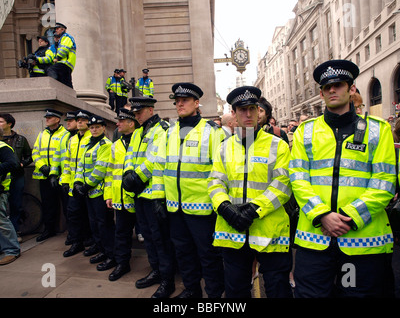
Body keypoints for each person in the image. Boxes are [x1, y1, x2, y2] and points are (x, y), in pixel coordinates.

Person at [289, 59, 396, 297]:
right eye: (327, 87)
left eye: (338, 85)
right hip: (315, 240)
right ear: (321, 93)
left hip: (360, 242)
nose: (333, 90)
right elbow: (297, 178)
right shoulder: (305, 132)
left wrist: (349, 217)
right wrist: (322, 215)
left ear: (352, 89)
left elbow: (385, 182)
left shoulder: (378, 130)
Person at [207, 86, 293, 298]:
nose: (248, 114)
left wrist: (253, 210)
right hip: (233, 230)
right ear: (234, 113)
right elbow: (215, 182)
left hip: (269, 231)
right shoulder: (224, 148)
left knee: (277, 289)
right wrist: (226, 208)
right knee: (236, 291)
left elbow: (282, 184)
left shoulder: (278, 146)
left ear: (258, 112)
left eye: (252, 109)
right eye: (242, 109)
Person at [152, 83, 225, 298]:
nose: (180, 104)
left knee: (208, 255)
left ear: (196, 103)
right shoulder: (169, 133)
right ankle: (192, 290)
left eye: (185, 100)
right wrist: (158, 198)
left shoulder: (212, 132)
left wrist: (217, 203)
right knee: (183, 253)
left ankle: (213, 294)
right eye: (177, 100)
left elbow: (220, 171)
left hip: (203, 209)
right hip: (175, 208)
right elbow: (159, 166)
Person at [122, 96, 175, 298]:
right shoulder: (137, 132)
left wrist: (138, 176)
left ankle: (167, 280)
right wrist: (128, 174)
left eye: (139, 112)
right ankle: (156, 271)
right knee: (149, 238)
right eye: (134, 113)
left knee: (160, 239)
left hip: (153, 192)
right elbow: (130, 156)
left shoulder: (161, 129)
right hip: (138, 192)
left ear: (150, 110)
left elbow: (156, 159)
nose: (136, 116)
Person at [73, 115, 115, 272]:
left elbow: (100, 169)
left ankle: (111, 254)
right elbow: (80, 166)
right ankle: (102, 250)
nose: (94, 129)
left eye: (97, 127)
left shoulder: (106, 145)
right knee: (94, 224)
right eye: (91, 127)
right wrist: (77, 182)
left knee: (104, 225)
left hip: (99, 192)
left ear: (104, 128)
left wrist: (86, 185)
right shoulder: (88, 145)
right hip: (88, 192)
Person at [104, 109, 137, 281]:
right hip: (120, 199)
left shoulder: (141, 141)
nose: (117, 124)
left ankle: (159, 270)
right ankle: (122, 264)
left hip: (139, 198)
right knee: (121, 233)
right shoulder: (115, 145)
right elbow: (110, 173)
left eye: (121, 121)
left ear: (131, 123)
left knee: (152, 235)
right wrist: (109, 195)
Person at [32, 108, 69, 242]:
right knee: (48, 203)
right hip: (44, 175)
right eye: (46, 117)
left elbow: (64, 154)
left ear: (58, 119)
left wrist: (55, 169)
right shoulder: (42, 134)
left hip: (60, 175)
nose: (47, 119)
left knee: (66, 205)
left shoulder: (65, 134)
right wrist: (42, 166)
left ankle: (71, 232)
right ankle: (49, 229)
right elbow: (35, 152)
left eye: (50, 117)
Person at [62, 110, 93, 257]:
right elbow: (67, 163)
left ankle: (90, 240)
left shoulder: (91, 138)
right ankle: (76, 242)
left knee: (89, 216)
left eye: (83, 120)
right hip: (74, 185)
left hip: (87, 185)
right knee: (73, 214)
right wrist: (66, 181)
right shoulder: (72, 140)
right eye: (78, 120)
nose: (79, 122)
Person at [0, 114, 32, 239]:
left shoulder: (20, 139)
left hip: (16, 176)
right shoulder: (0, 140)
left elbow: (29, 156)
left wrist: (23, 163)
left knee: (16, 204)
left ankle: (15, 231)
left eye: (1, 122)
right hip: (3, 178)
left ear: (9, 124)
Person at [48, 111, 78, 245]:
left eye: (71, 121)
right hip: (65, 179)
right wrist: (54, 174)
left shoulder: (80, 137)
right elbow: (58, 157)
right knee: (69, 211)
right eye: (67, 121)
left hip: (78, 181)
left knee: (78, 213)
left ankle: (80, 237)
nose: (68, 123)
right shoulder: (65, 137)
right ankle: (73, 235)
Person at [0, 128, 20, 265]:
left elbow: (13, 164)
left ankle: (12, 250)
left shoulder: (3, 147)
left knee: (1, 221)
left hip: (0, 189)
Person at [47, 23, 76, 88]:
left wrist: (58, 58)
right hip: (67, 64)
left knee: (51, 70)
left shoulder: (66, 37)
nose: (56, 31)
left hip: (64, 62)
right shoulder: (61, 40)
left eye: (57, 29)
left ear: (62, 29)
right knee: (66, 84)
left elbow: (64, 48)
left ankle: (53, 86)